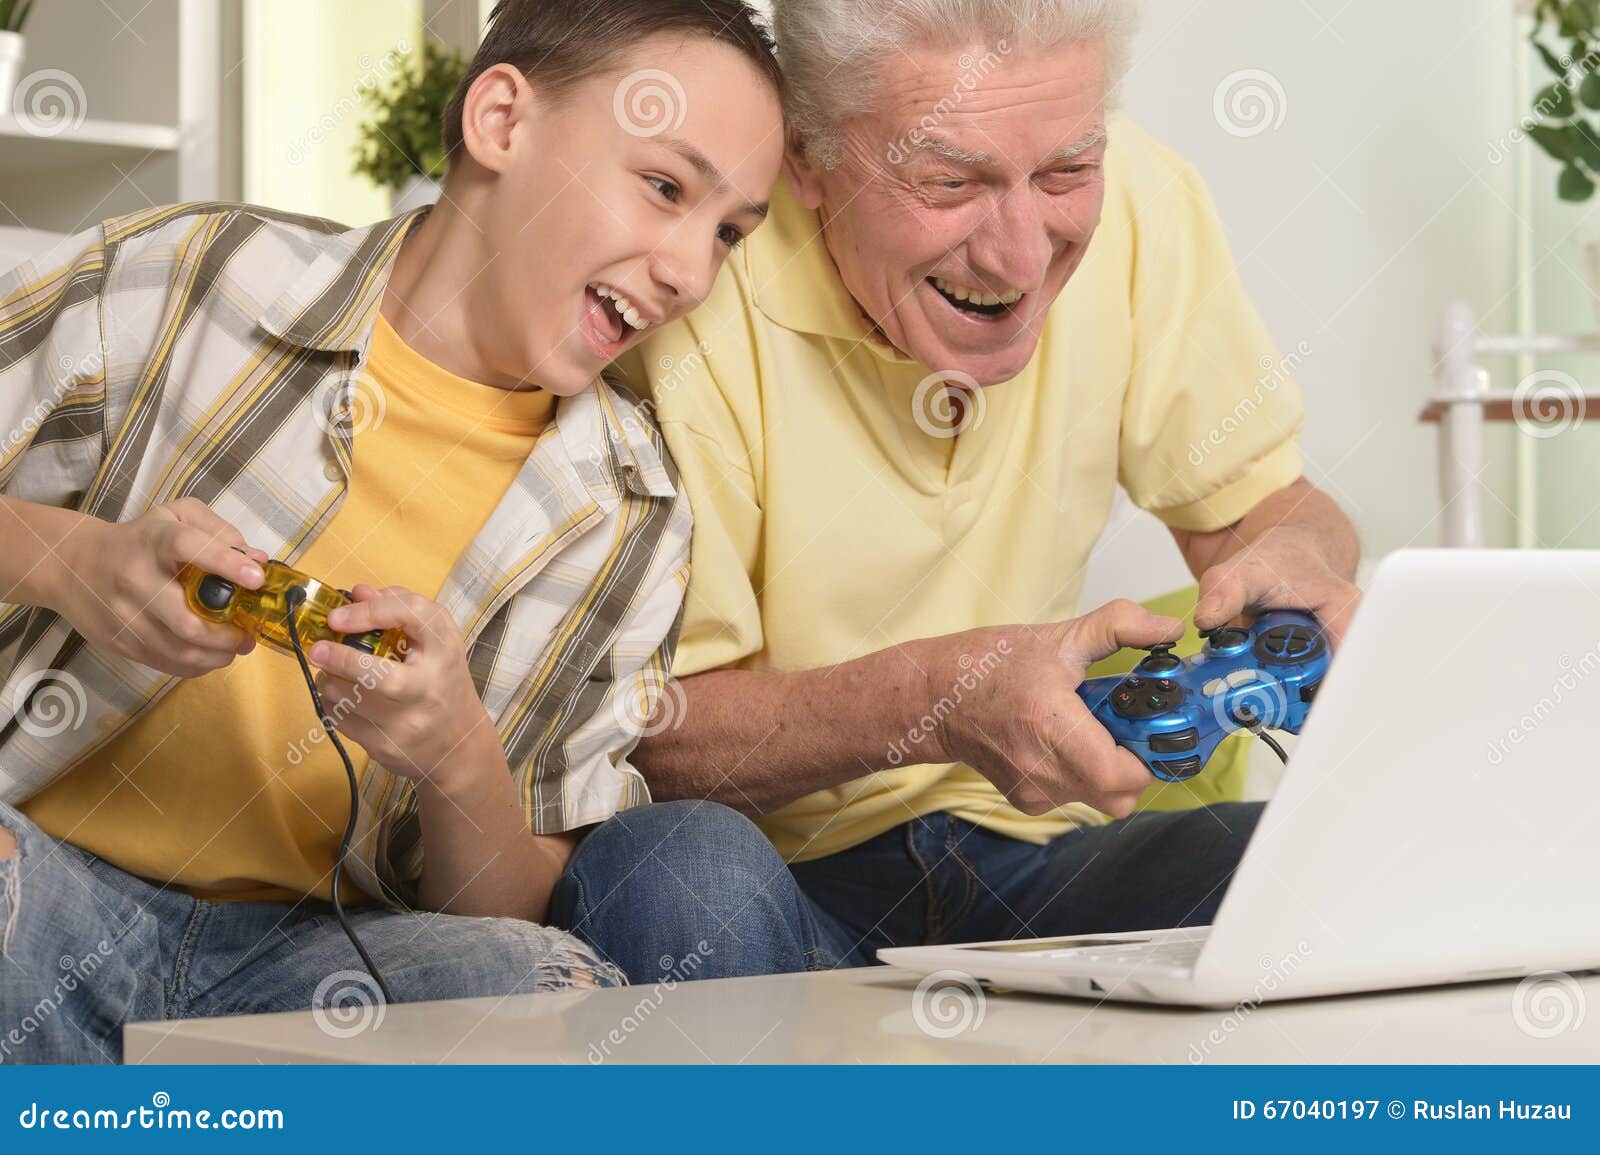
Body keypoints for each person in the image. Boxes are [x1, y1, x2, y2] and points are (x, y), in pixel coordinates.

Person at [0, 0, 785, 1063]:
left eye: (728, 233)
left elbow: (505, 908)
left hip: (310, 965)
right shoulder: (199, 280)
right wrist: (74, 562)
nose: (692, 271)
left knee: (537, 980)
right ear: (502, 121)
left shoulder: (630, 514)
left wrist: (459, 760)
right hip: (37, 888)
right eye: (664, 188)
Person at [554, 0, 1362, 983]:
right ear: (806, 159)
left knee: (1333, 869)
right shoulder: (687, 281)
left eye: (1066, 172)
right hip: (791, 880)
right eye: (949, 182)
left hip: (1049, 866)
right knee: (670, 870)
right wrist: (938, 701)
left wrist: (1298, 559)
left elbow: (1263, 509)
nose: (1022, 259)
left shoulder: (1148, 199)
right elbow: (639, 736)